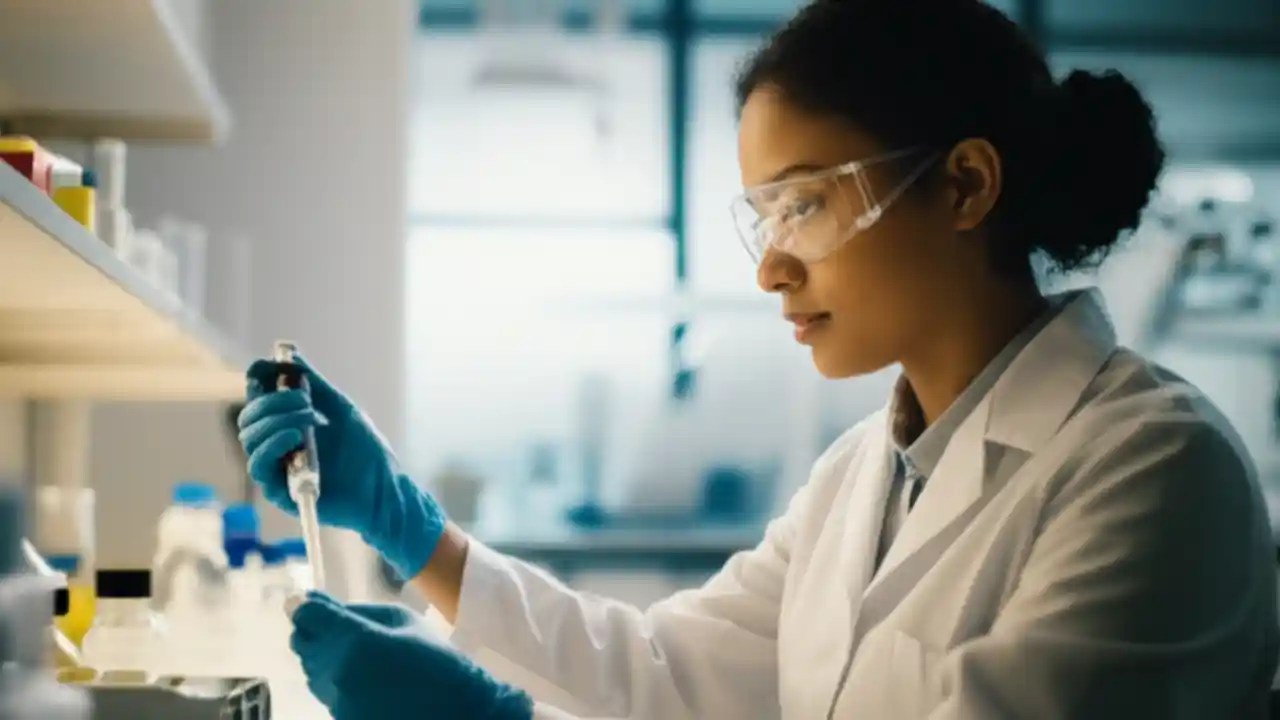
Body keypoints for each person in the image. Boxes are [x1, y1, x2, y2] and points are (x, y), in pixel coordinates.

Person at [236, 0, 1279, 717]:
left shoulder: (1150, 470)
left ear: (963, 186)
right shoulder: (859, 479)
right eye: (762, 216)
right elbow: (659, 674)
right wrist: (411, 531)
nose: (771, 265)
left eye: (806, 204)